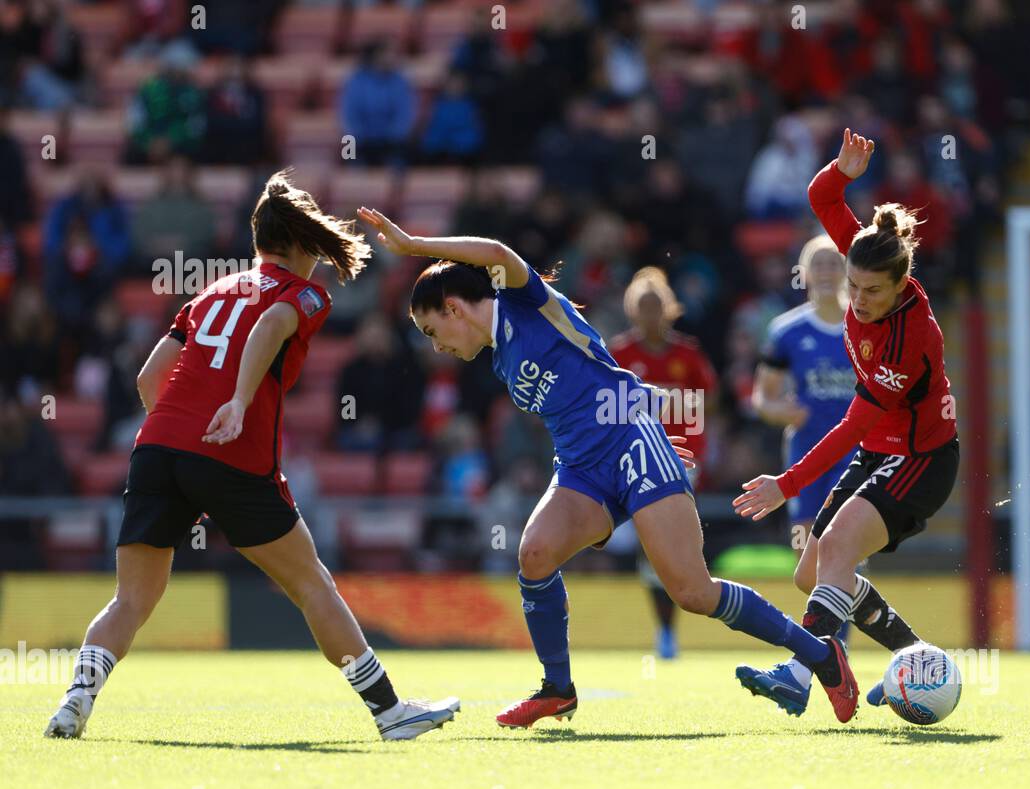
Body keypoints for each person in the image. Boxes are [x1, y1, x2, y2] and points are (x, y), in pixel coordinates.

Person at [356, 206, 860, 727]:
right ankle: (558, 689)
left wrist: (415, 244)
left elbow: (500, 255)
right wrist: (642, 404)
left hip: (632, 449)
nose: (433, 343)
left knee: (691, 591)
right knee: (533, 553)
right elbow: (602, 379)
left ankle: (822, 656)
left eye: (430, 327)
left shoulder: (523, 304)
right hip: (580, 468)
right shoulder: (500, 355)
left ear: (453, 306)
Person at [45, 172, 458, 741]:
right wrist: (237, 404)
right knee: (312, 584)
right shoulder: (301, 294)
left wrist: (180, 449)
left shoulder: (210, 292)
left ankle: (74, 702)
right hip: (232, 454)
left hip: (159, 447)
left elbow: (150, 378)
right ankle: (391, 713)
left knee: (132, 597)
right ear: (300, 243)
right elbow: (270, 323)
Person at [732, 130, 960, 715]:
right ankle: (917, 657)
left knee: (833, 548)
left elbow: (853, 426)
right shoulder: (866, 260)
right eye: (851, 285)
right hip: (880, 450)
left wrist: (785, 485)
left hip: (920, 459)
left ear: (902, 285)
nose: (855, 299)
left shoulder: (911, 336)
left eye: (870, 292)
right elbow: (822, 199)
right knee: (814, 574)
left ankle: (798, 673)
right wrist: (841, 171)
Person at [748, 234, 858, 714]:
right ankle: (829, 654)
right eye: (819, 263)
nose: (828, 270)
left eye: (836, 261)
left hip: (857, 461)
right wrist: (782, 411)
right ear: (804, 272)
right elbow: (762, 397)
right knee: (807, 568)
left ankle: (831, 657)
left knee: (846, 558)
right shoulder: (787, 331)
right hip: (806, 466)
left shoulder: (863, 327)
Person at [608, 267, 717, 659]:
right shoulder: (619, 355)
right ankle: (659, 627)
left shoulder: (687, 355)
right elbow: (607, 409)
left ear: (669, 309)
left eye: (656, 306)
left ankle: (669, 629)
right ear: (632, 311)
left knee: (670, 545)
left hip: (679, 462)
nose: (650, 314)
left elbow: (709, 403)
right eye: (643, 306)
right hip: (633, 464)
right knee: (645, 548)